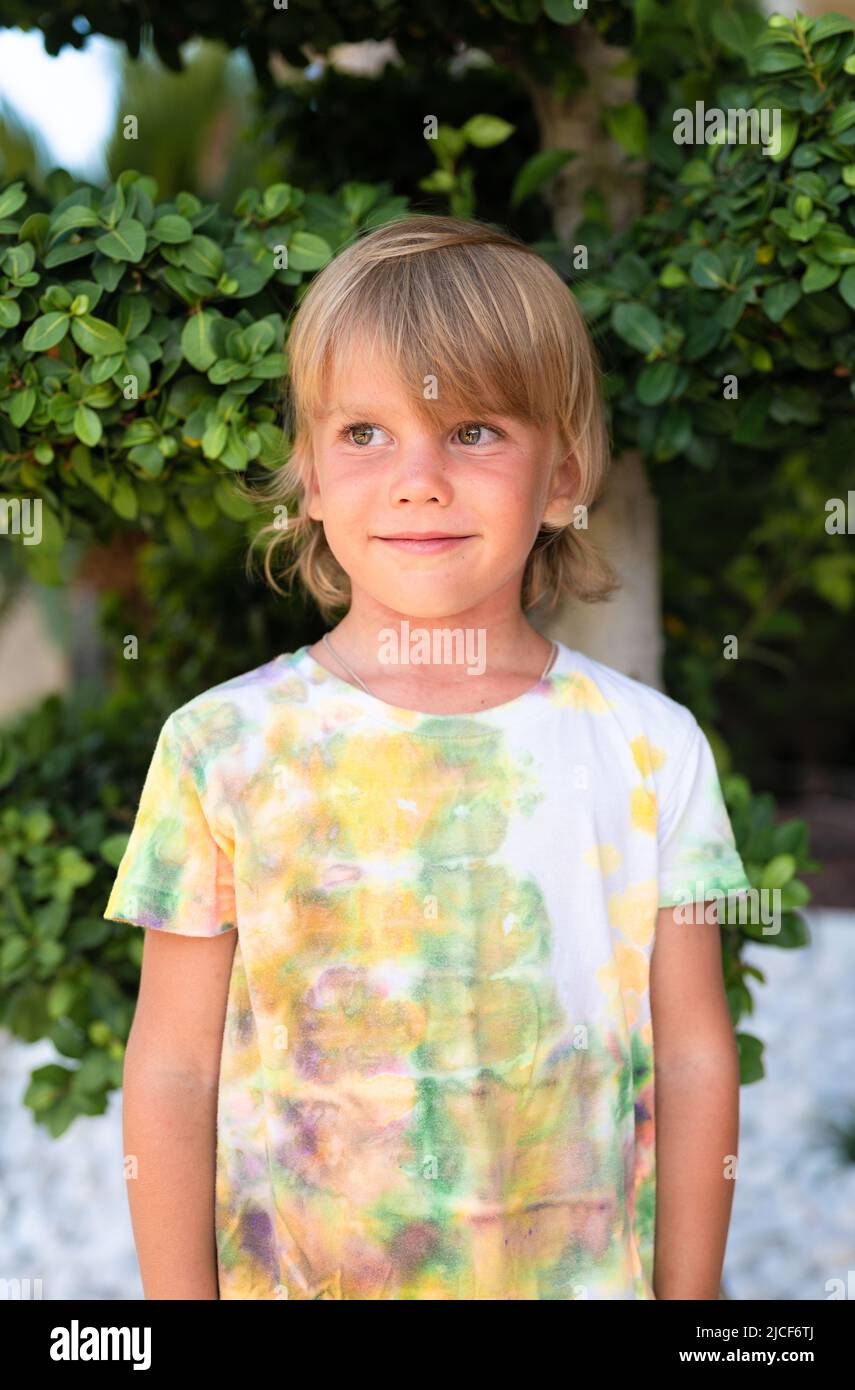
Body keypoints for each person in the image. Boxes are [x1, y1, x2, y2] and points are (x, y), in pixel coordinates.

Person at [104, 213, 752, 1300]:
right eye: (365, 434)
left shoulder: (651, 751)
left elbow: (690, 1059)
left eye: (473, 432)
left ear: (563, 477)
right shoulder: (220, 748)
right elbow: (172, 1069)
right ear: (307, 471)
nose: (418, 480)